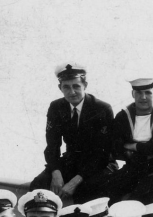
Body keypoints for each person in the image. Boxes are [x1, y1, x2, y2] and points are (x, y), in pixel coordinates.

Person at [36, 64, 119, 202]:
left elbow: (102, 153)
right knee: (39, 185)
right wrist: (56, 172)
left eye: (76, 86)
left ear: (85, 85)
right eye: (66, 87)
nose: (72, 92)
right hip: (72, 160)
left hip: (100, 164)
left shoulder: (101, 108)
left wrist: (74, 182)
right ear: (60, 88)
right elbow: (52, 145)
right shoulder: (56, 107)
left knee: (86, 191)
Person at [105, 77, 153, 205]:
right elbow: (116, 149)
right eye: (139, 93)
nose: (143, 97)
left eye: (148, 92)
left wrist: (133, 146)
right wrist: (150, 148)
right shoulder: (123, 116)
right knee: (107, 190)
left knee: (141, 196)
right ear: (133, 94)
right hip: (132, 167)